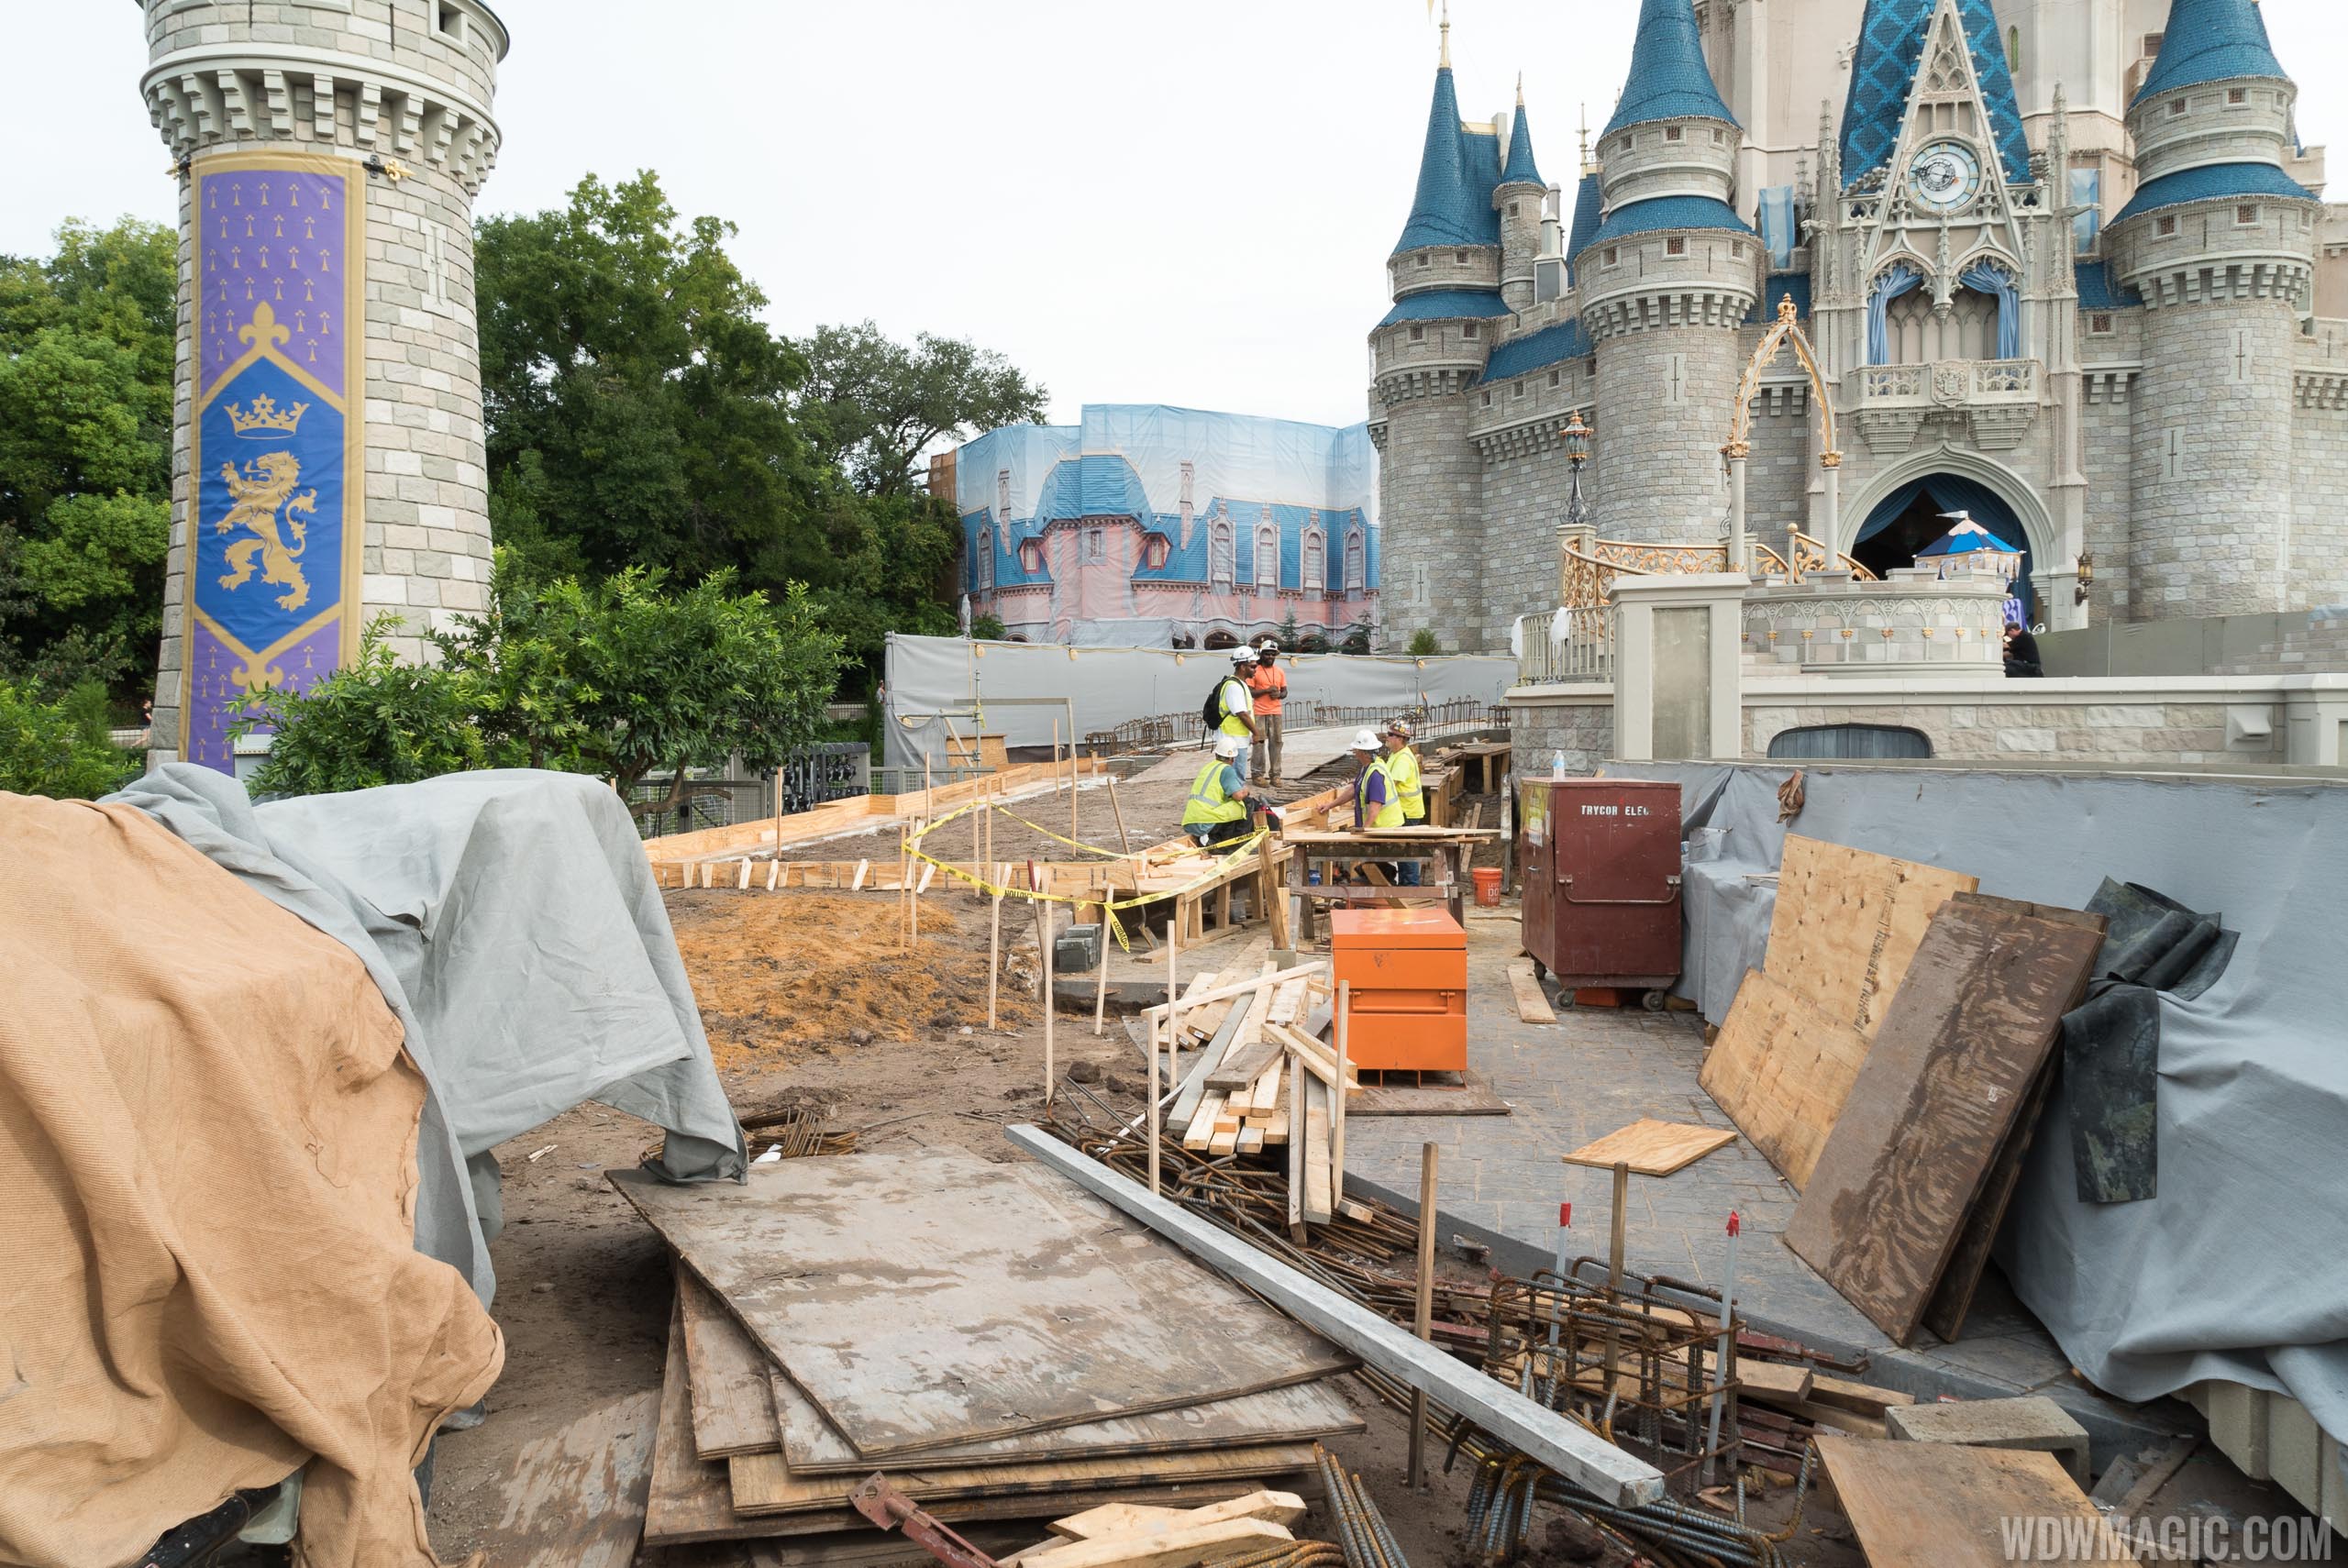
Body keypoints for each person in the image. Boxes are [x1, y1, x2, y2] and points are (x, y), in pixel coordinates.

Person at [1181, 733, 1258, 851]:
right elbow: (1238, 796)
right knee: (1246, 803)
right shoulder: (1226, 770)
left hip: (1191, 821)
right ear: (1232, 758)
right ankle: (1238, 844)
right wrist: (1246, 791)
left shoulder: (1207, 767)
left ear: (1216, 755)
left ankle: (1216, 840)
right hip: (1205, 822)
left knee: (1228, 807)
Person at [1380, 717, 1426, 886]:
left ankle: (1411, 887)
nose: (1387, 737)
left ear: (1400, 739)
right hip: (1403, 811)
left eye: (1391, 734)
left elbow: (1391, 784)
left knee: (1406, 851)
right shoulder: (1396, 755)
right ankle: (1407, 886)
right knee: (1403, 851)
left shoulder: (1403, 759)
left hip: (1408, 811)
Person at [1214, 646, 1260, 779]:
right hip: (1232, 739)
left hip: (1236, 738)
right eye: (1252, 666)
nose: (1255, 669)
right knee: (1235, 776)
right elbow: (1242, 714)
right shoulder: (1234, 686)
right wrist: (1256, 733)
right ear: (1243, 667)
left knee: (1235, 775)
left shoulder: (1240, 684)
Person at [1247, 639, 1288, 787]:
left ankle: (1276, 775)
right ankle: (1257, 775)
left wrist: (1279, 695)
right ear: (1261, 654)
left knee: (1276, 743)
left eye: (1273, 654)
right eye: (1267, 654)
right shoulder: (1254, 670)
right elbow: (1250, 692)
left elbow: (1285, 691)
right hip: (1259, 712)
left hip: (1276, 712)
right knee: (1259, 743)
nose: (1270, 657)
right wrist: (1266, 690)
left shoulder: (1279, 671)